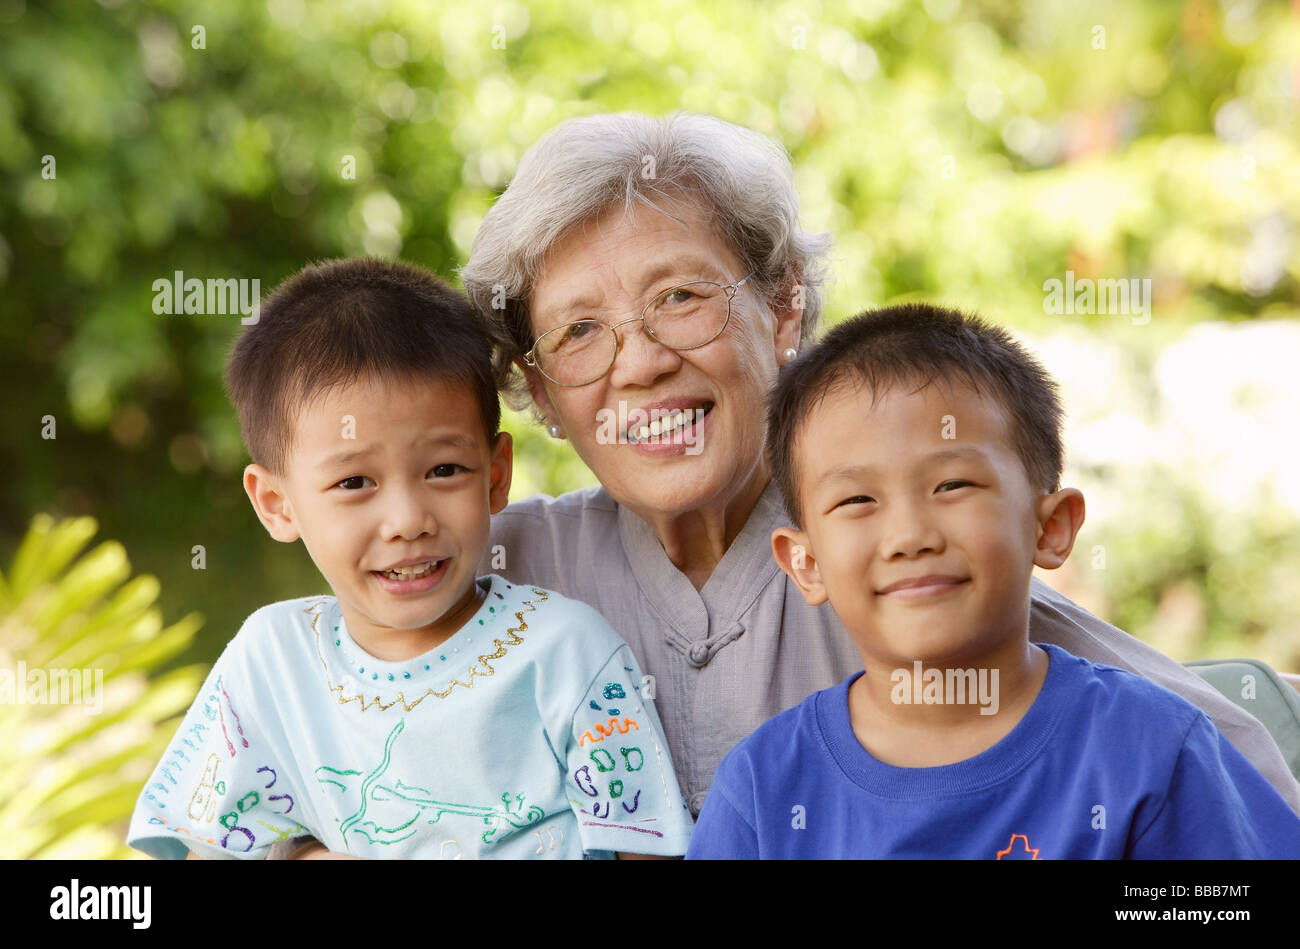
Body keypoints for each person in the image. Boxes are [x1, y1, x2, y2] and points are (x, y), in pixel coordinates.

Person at [458, 110, 1300, 817]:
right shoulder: (499, 567)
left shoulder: (886, 548)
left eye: (679, 297)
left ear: (783, 305)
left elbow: (1231, 778)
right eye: (577, 331)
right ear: (539, 385)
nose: (638, 363)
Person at [684, 304, 1300, 858]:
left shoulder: (1152, 753)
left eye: (952, 485)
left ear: (1050, 526)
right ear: (806, 564)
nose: (910, 535)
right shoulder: (764, 794)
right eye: (857, 499)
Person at [126, 258, 692, 860]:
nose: (408, 521)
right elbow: (200, 847)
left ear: (495, 475)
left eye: (444, 470)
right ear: (276, 503)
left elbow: (649, 851)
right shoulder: (269, 664)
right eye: (353, 482)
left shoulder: (567, 653)